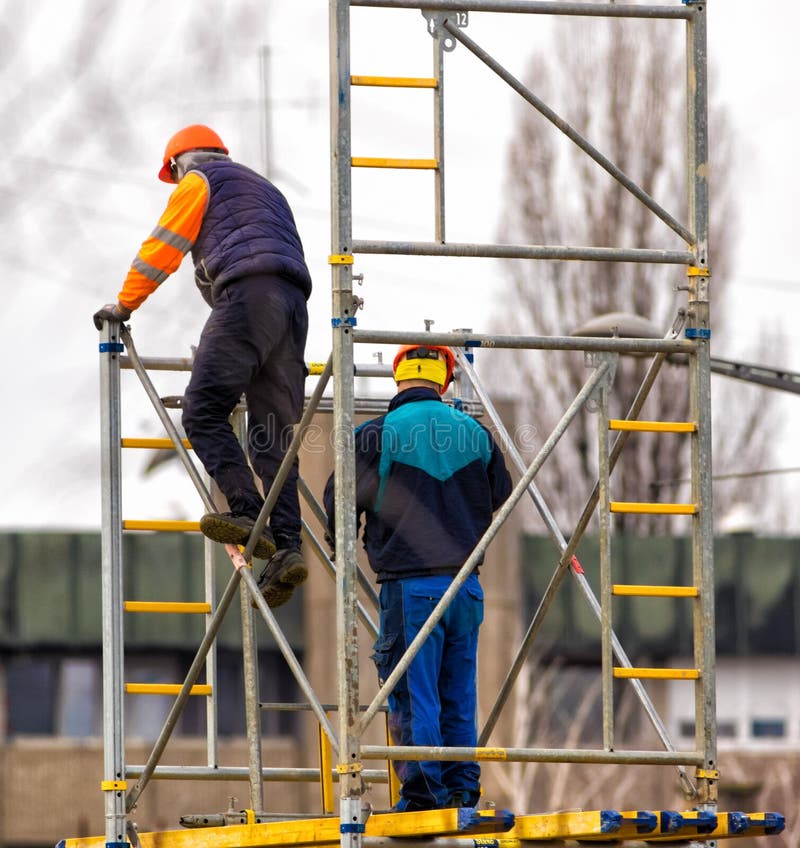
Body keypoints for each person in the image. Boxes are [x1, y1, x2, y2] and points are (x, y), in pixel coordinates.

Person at [93, 124, 310, 608]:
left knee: (203, 411)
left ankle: (247, 511)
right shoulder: (267, 189)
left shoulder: (198, 182)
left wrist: (124, 306)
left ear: (177, 165)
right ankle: (288, 548)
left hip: (248, 298)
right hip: (294, 308)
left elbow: (163, 249)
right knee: (272, 433)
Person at [323, 344, 512, 812]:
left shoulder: (376, 434)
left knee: (413, 693)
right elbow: (501, 494)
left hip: (411, 586)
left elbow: (339, 502)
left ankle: (425, 794)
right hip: (466, 585)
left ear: (398, 378)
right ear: (445, 381)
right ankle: (463, 788)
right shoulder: (476, 434)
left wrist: (341, 545)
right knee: (457, 694)